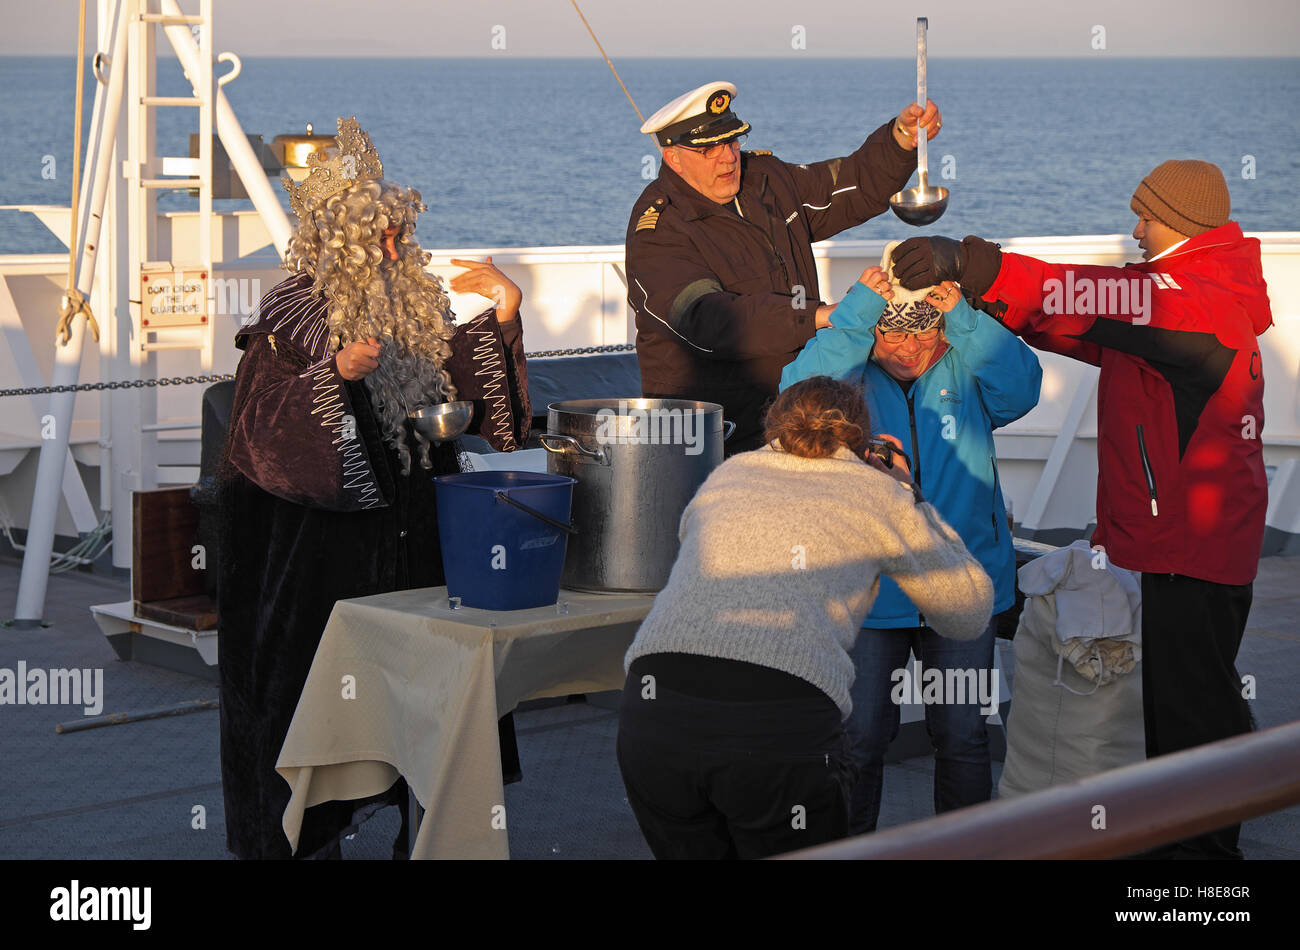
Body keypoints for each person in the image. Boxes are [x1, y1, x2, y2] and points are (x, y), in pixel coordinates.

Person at [890, 159, 1273, 859]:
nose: (1136, 229)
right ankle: (1198, 837)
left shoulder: (1193, 298)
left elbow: (1087, 293)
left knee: (1190, 715)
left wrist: (973, 263)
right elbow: (1085, 326)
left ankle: (1199, 868)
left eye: (1146, 216)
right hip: (1199, 537)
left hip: (1188, 542)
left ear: (1180, 222)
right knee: (1201, 695)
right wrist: (986, 302)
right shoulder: (1204, 292)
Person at [217, 117, 530, 860]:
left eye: (398, 234)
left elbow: (455, 392)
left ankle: (425, 835)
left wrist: (503, 319)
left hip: (418, 547)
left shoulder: (412, 306)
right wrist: (338, 378)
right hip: (320, 563)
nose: (395, 249)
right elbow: (260, 435)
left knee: (428, 707)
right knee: (315, 715)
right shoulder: (291, 320)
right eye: (378, 239)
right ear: (337, 243)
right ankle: (307, 842)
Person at [616, 375, 994, 859]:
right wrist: (911, 492)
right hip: (776, 723)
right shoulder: (879, 494)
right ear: (862, 441)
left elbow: (693, 543)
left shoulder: (730, 472)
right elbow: (967, 610)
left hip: (652, 711)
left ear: (774, 425)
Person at [780, 245, 1042, 834]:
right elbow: (795, 398)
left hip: (961, 587)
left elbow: (1022, 388)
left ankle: (969, 853)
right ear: (871, 333)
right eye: (894, 337)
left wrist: (965, 320)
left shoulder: (965, 364)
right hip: (871, 598)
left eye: (926, 336)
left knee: (964, 736)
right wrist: (852, 317)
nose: (911, 348)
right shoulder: (843, 384)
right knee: (862, 738)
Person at [626, 81, 942, 454]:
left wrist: (900, 139)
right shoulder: (659, 230)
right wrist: (819, 316)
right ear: (672, 156)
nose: (728, 158)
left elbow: (851, 185)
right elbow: (706, 320)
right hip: (710, 438)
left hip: (797, 417)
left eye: (732, 140)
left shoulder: (767, 180)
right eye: (709, 149)